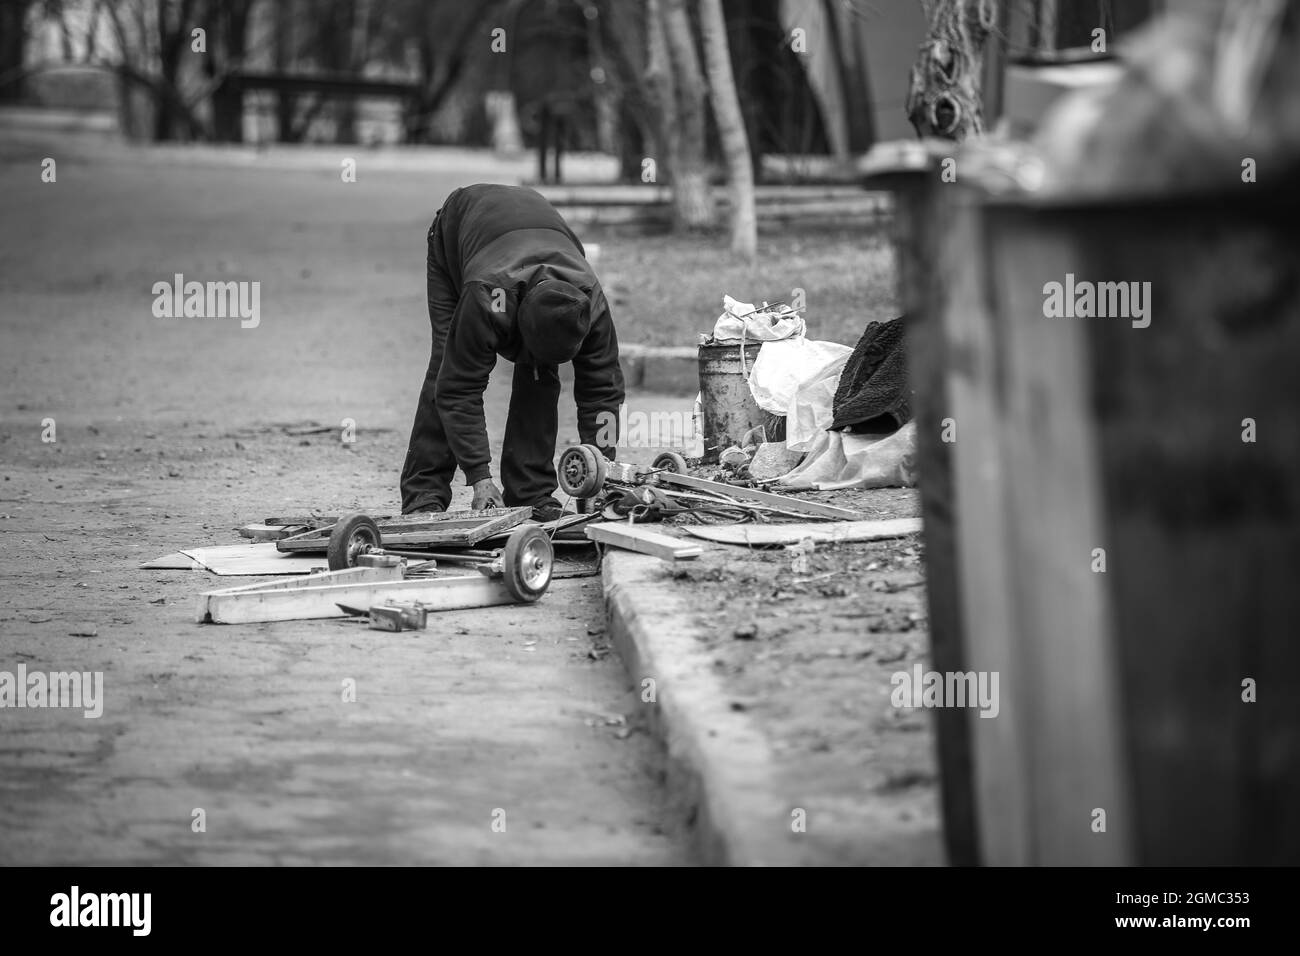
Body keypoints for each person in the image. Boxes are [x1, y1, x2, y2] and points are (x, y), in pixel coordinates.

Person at [400, 184, 624, 519]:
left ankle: (531, 492)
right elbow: (459, 389)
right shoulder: (488, 297)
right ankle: (424, 494)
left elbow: (604, 391)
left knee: (540, 375)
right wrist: (480, 479)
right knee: (447, 365)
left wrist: (602, 467)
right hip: (460, 234)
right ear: (517, 321)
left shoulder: (589, 305)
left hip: (529, 230)